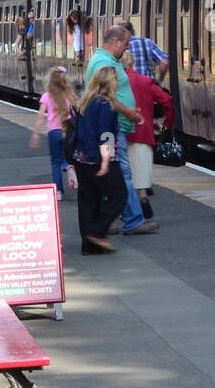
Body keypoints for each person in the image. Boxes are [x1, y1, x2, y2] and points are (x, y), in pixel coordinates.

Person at [84, 25, 158, 235]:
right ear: (116, 42)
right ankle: (131, 220)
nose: (126, 49)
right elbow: (106, 97)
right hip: (111, 128)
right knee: (120, 173)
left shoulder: (107, 61)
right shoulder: (102, 63)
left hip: (115, 126)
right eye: (125, 45)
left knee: (115, 173)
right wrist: (130, 113)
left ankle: (114, 219)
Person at [71, 67, 124, 255]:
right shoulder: (106, 105)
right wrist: (105, 161)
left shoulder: (85, 101)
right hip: (96, 158)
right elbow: (106, 135)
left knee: (88, 200)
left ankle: (89, 246)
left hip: (80, 157)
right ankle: (97, 232)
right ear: (111, 82)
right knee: (119, 196)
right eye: (116, 79)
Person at [120, 50, 175, 219]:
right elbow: (167, 100)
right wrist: (167, 122)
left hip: (120, 132)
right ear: (133, 63)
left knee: (123, 172)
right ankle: (142, 196)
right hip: (143, 130)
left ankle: (127, 208)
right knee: (141, 170)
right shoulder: (145, 81)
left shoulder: (114, 82)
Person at [30, 66, 78, 200]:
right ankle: (69, 166)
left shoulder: (46, 96)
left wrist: (35, 133)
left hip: (54, 132)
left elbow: (40, 116)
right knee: (68, 156)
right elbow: (78, 111)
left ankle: (58, 192)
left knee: (55, 162)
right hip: (68, 130)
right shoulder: (69, 95)